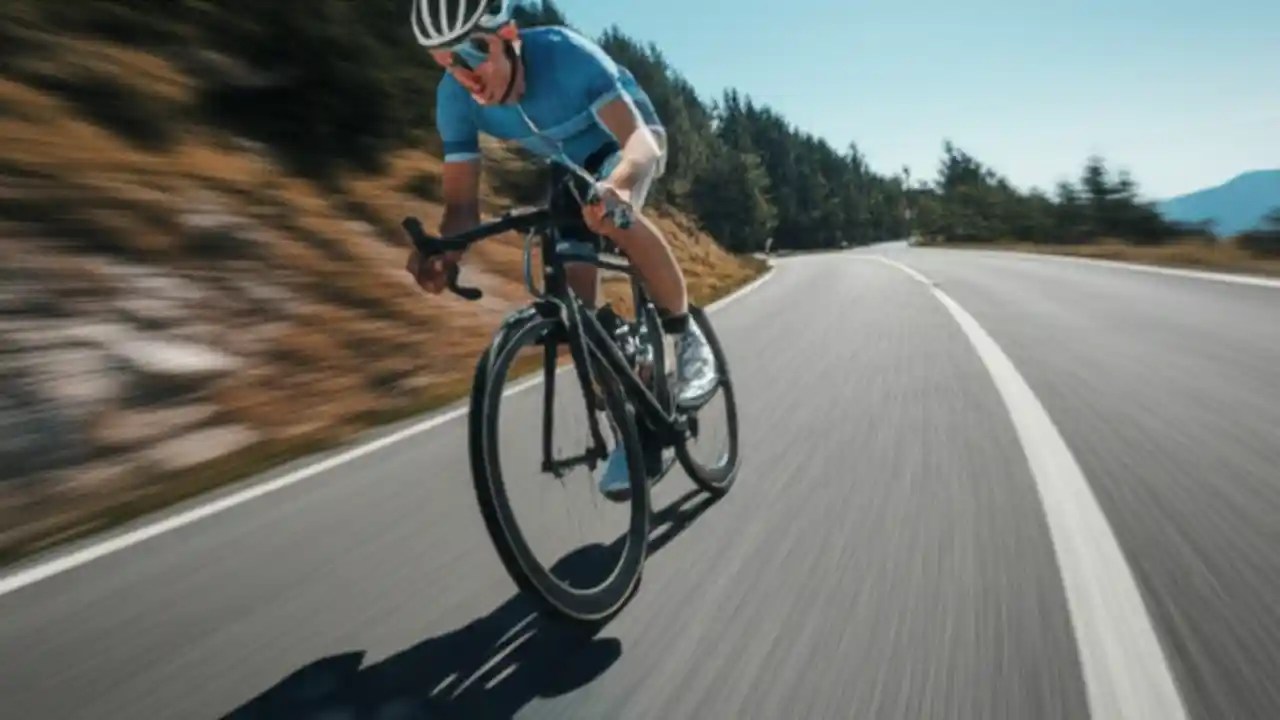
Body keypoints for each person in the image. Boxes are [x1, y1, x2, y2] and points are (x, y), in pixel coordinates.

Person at [403, 0, 718, 499]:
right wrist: (446, 253)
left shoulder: (564, 55)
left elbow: (640, 142)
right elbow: (461, 206)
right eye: (448, 62)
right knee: (575, 313)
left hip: (628, 143)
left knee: (612, 217)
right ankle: (634, 423)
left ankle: (686, 333)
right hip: (569, 163)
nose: (466, 76)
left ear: (508, 34)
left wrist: (616, 187)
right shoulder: (454, 100)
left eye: (474, 52)